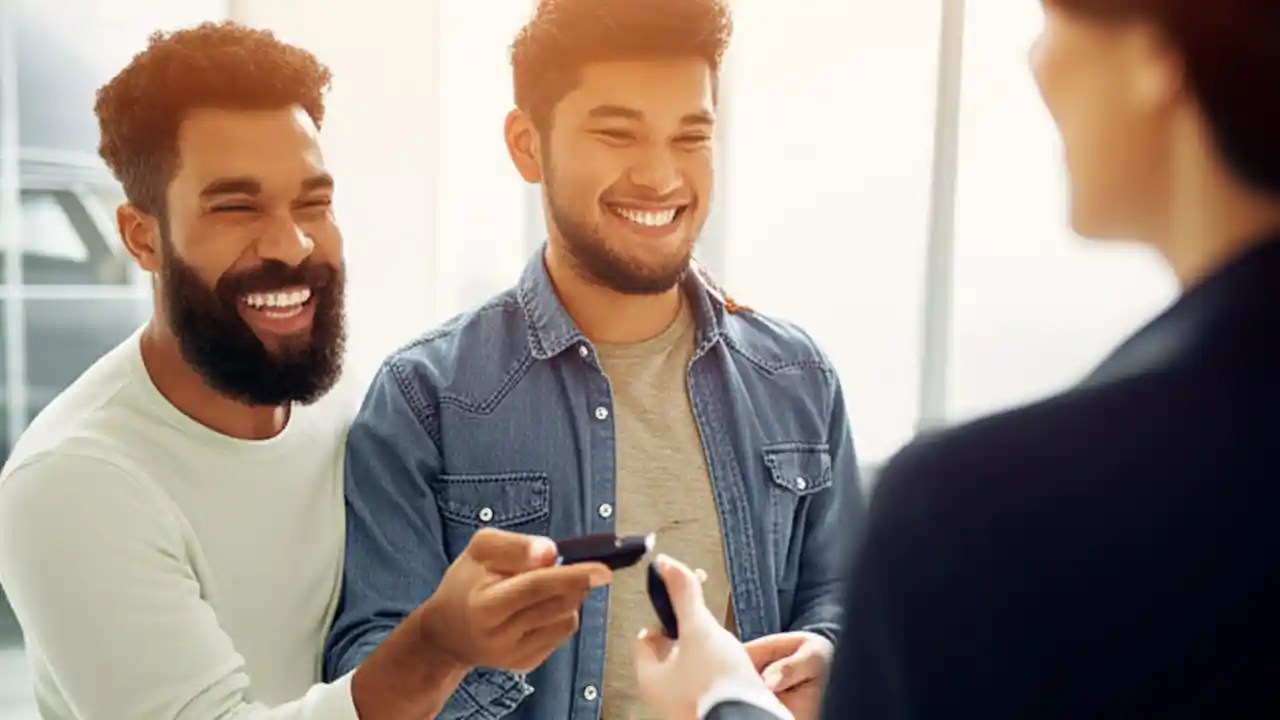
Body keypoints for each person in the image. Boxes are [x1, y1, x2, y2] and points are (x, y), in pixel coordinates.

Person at [633, 0, 1280, 717]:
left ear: (1157, 54)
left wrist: (718, 702)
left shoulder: (978, 513)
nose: (1038, 64)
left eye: (1051, 20)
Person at [0, 22, 610, 720]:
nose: (290, 244)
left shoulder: (323, 398)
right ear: (143, 236)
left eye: (313, 203)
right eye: (236, 207)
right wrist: (438, 646)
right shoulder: (74, 483)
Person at [324, 0, 864, 717]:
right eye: (618, 133)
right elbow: (369, 671)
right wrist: (458, 645)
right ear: (527, 144)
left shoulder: (800, 380)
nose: (661, 176)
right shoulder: (426, 398)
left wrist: (830, 652)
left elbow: (847, 598)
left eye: (691, 136)